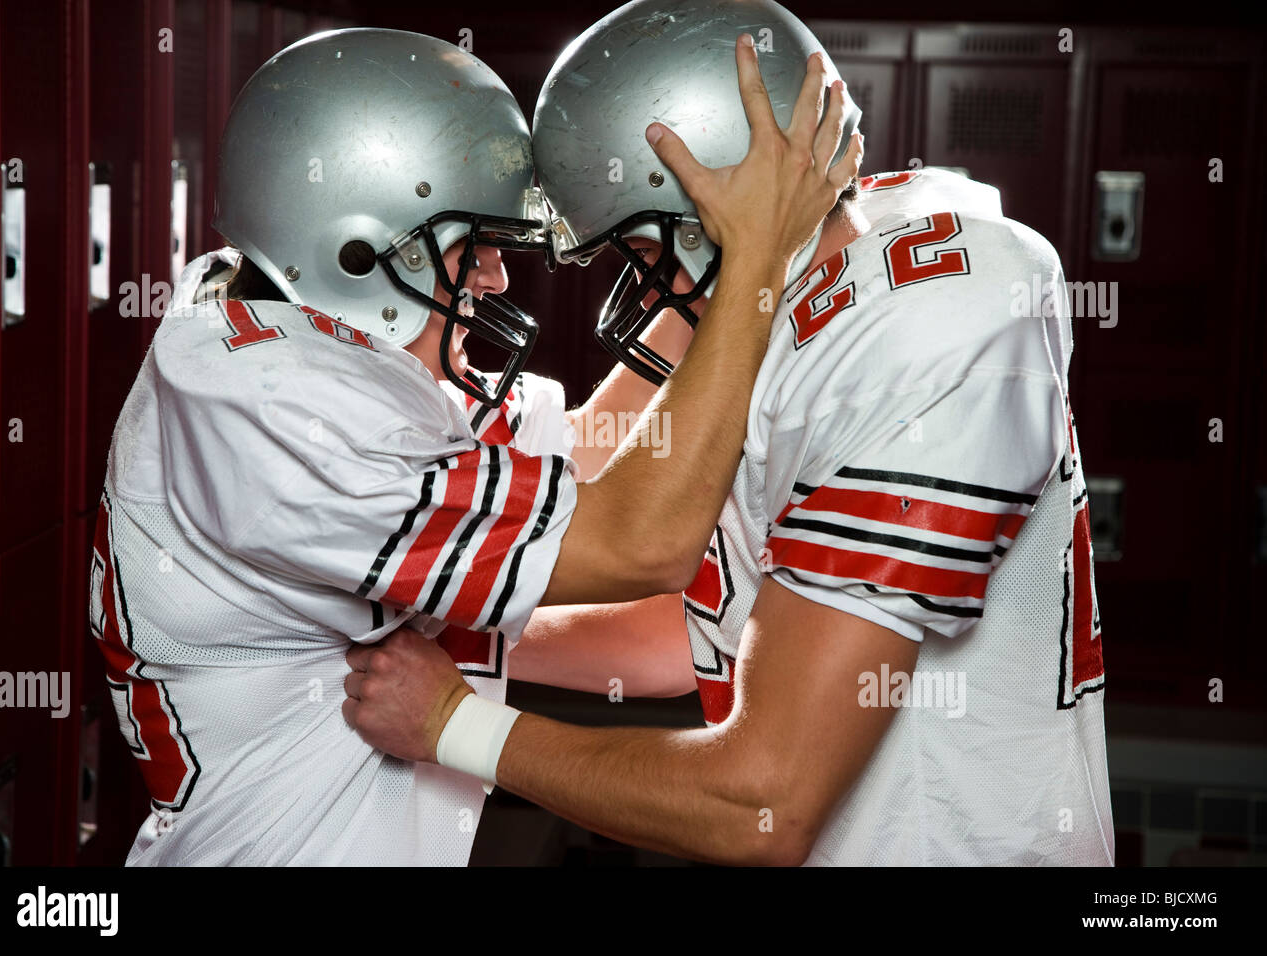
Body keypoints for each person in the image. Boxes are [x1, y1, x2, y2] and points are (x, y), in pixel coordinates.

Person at [342, 0, 1114, 866]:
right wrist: (464, 633)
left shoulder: (926, 334)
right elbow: (706, 628)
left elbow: (765, 802)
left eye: (645, 256)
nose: (646, 294)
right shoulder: (813, 281)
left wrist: (455, 723)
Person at [89, 25, 862, 864]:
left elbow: (577, 474)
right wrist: (753, 261)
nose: (493, 279)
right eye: (474, 249)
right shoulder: (276, 414)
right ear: (354, 251)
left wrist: (693, 268)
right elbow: (638, 541)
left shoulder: (292, 347)